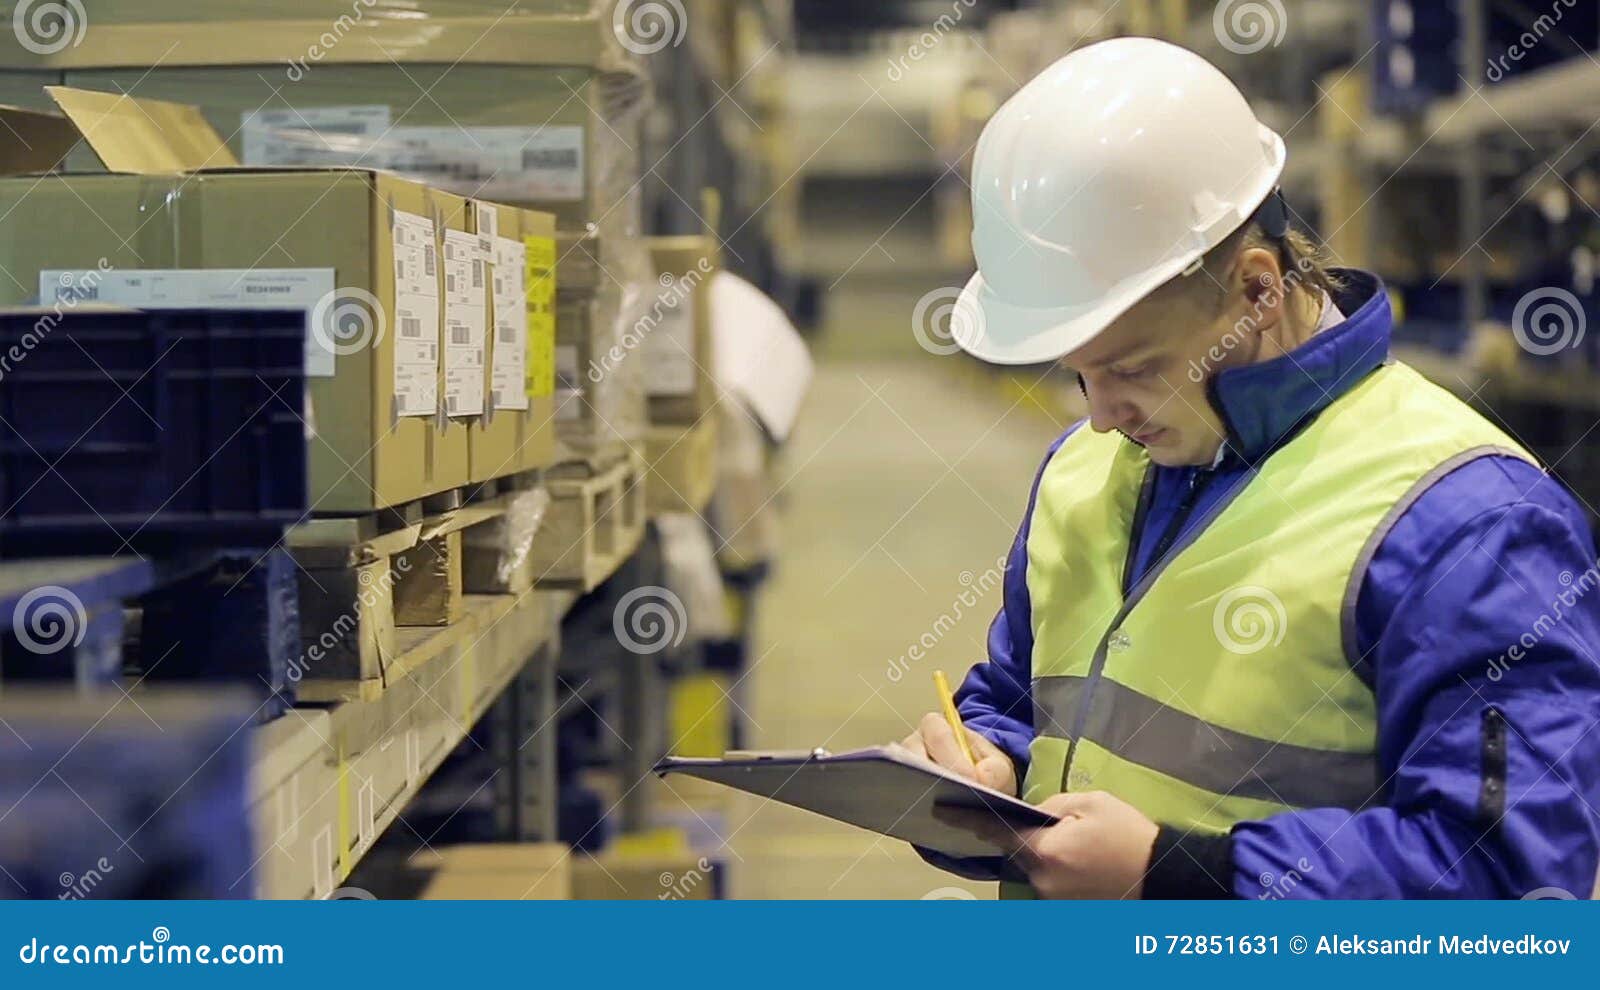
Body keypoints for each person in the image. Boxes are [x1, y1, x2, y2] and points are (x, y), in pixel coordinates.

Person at [900, 36, 1600, 899]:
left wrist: (1176, 875)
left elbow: (1512, 890)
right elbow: (1018, 699)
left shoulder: (1470, 525)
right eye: (1079, 373)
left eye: (1132, 368)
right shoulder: (1083, 473)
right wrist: (985, 774)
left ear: (1259, 290)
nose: (1100, 417)